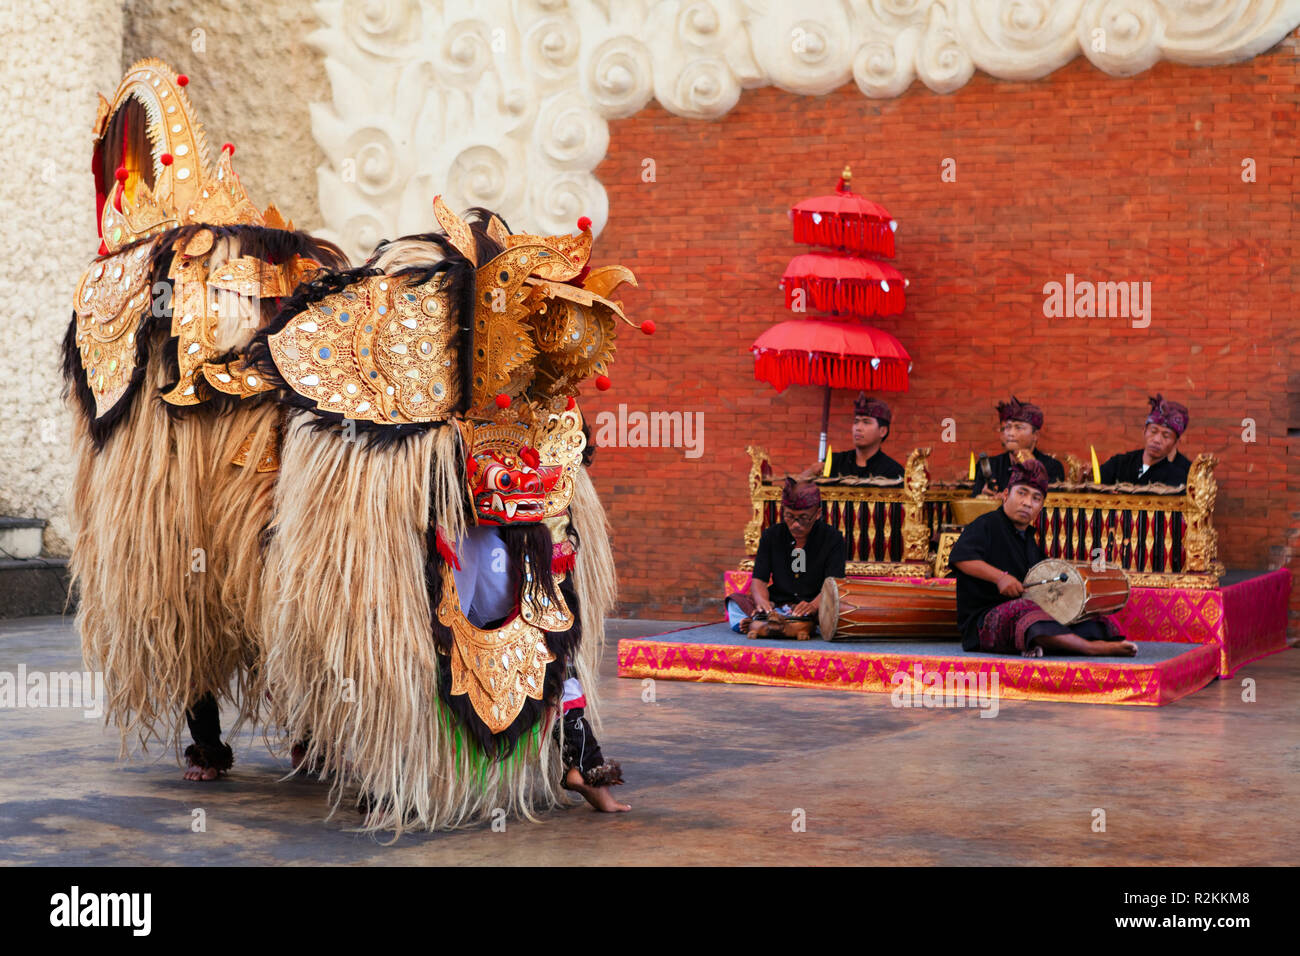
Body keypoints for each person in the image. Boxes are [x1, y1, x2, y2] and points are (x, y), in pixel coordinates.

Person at [950, 459, 1137, 658]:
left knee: (1085, 616)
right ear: (1005, 495)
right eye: (1021, 493)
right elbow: (961, 558)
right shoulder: (986, 524)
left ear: (1040, 507)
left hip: (1024, 611)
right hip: (983, 621)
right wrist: (1000, 577)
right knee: (1026, 612)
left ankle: (1053, 643)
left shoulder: (1029, 539)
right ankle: (1089, 648)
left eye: (1036, 498)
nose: (1027, 503)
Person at [726, 479, 846, 634]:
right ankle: (784, 625)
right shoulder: (771, 535)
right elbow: (759, 580)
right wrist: (763, 603)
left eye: (803, 518)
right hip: (778, 605)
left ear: (817, 514)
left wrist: (813, 606)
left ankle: (762, 626)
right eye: (789, 516)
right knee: (735, 602)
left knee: (839, 608)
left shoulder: (832, 538)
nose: (796, 524)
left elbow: (834, 584)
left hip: (815, 606)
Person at [972, 396, 1065, 495]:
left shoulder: (1051, 467)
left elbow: (1049, 503)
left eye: (1018, 427)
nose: (1010, 433)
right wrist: (982, 499)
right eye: (1007, 427)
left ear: (1035, 435)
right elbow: (973, 504)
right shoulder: (989, 466)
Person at [803, 393, 903, 479]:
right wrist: (810, 472)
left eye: (866, 422)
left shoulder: (893, 471)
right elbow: (793, 492)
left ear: (882, 431)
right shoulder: (834, 462)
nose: (858, 428)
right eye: (856, 422)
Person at [1099, 395, 1191, 487]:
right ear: (1144, 431)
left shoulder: (1179, 478)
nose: (1157, 440)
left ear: (1176, 442)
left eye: (1166, 436)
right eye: (1153, 431)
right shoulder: (1119, 464)